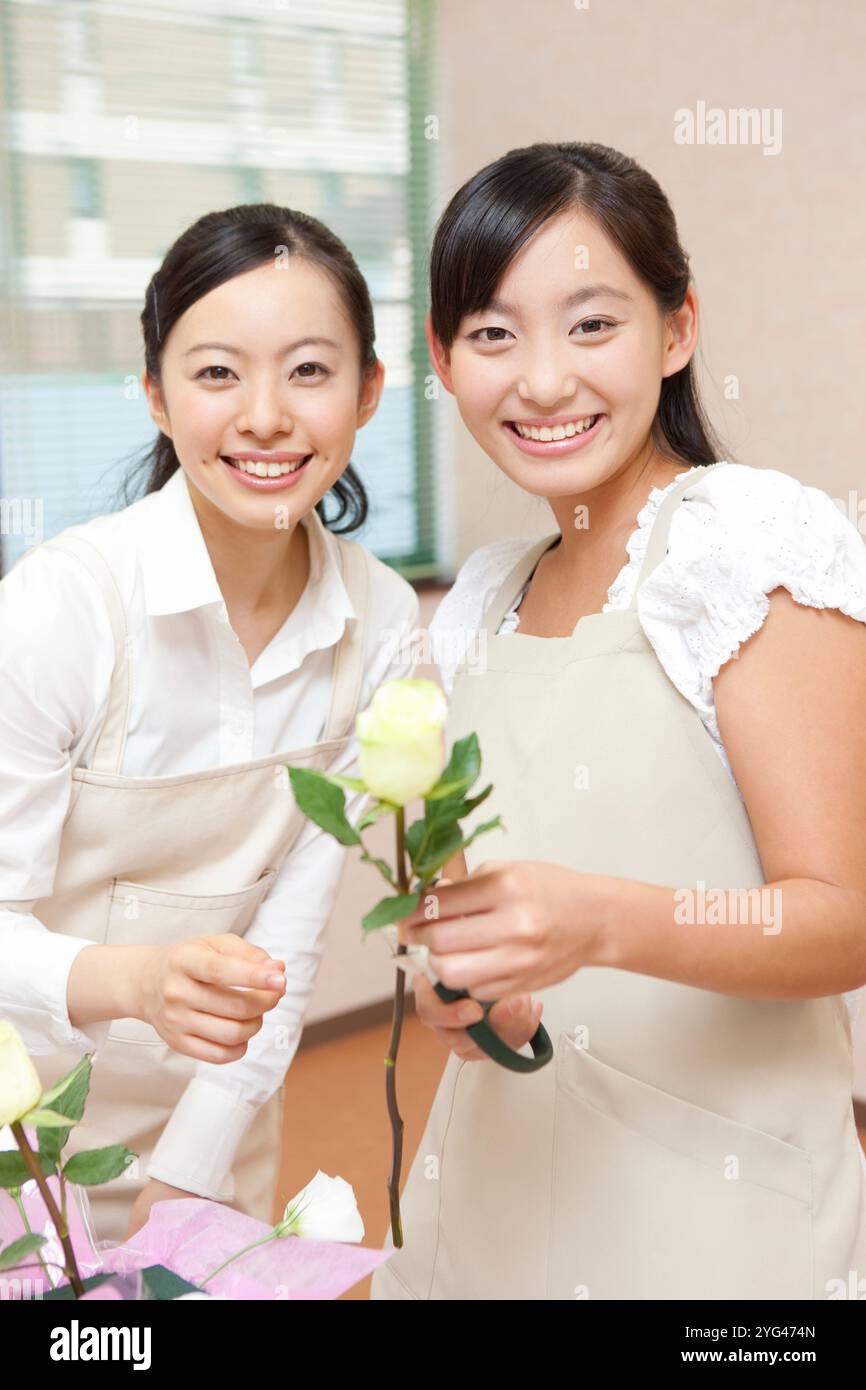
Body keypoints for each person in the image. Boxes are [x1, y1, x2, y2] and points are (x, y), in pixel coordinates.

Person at [370, 141, 866, 1300]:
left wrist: (594, 921)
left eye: (591, 325)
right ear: (442, 358)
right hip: (490, 1184)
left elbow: (841, 920)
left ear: (676, 329)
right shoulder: (483, 596)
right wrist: (460, 988)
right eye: (492, 334)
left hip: (709, 1219)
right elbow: (493, 902)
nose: (541, 382)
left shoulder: (744, 544)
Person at [0, 203, 419, 1245]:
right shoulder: (63, 608)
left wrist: (187, 1169)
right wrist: (133, 981)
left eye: (310, 371)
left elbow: (291, 937)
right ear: (154, 395)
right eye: (217, 373)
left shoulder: (381, 622)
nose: (266, 417)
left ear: (369, 389)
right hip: (17, 1130)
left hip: (214, 1122)